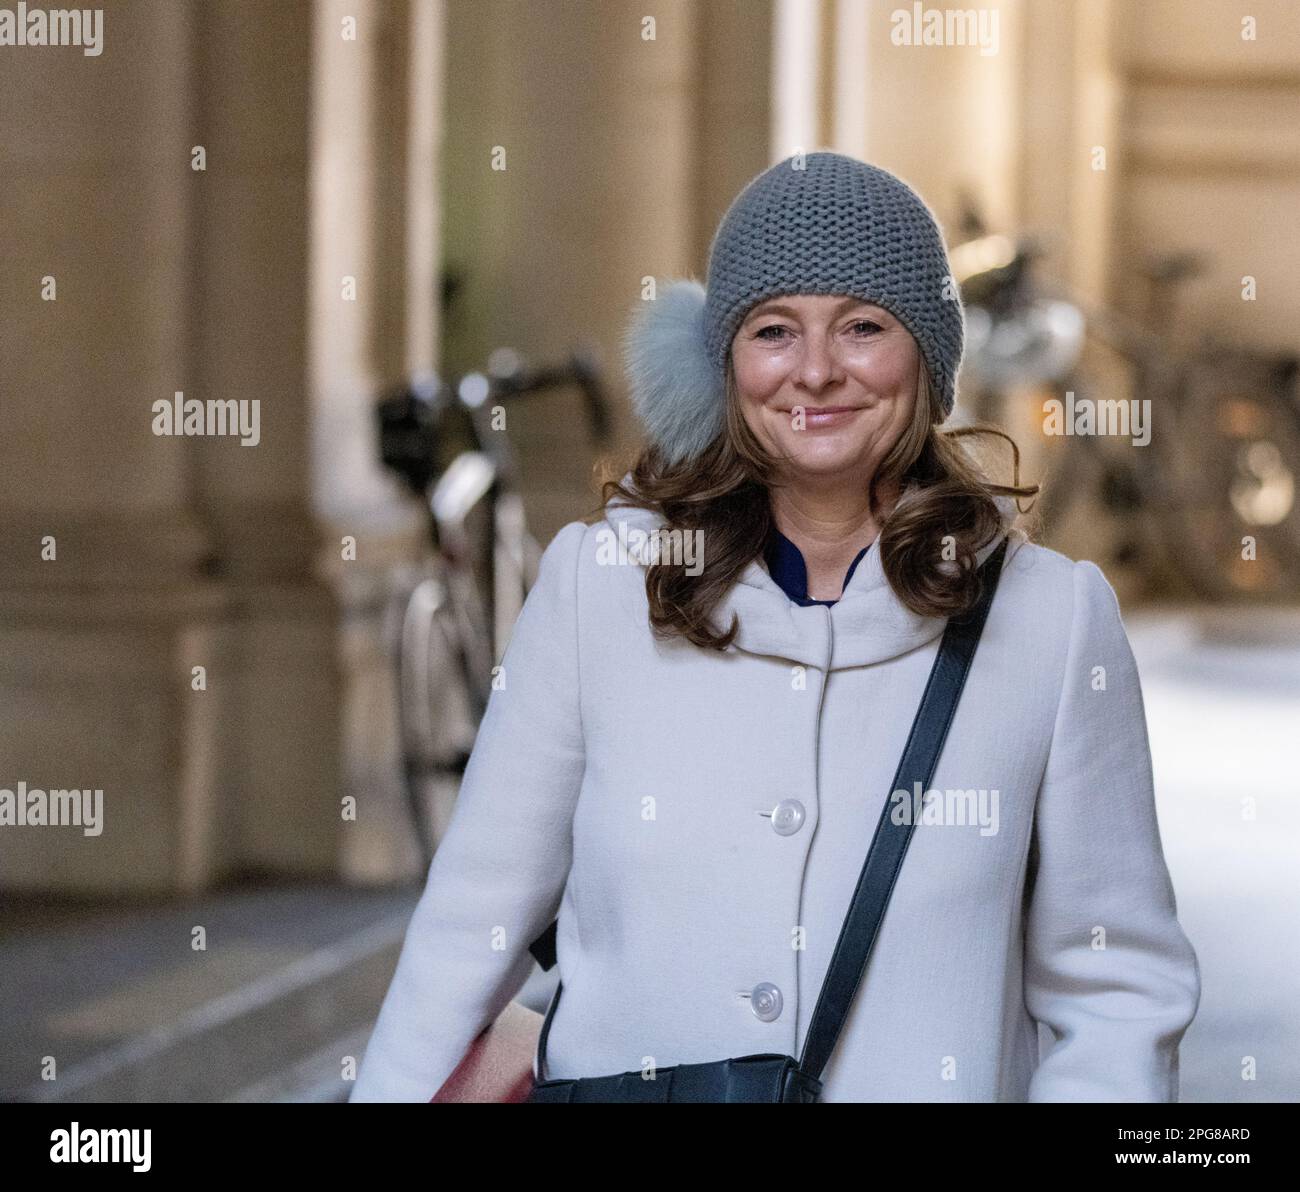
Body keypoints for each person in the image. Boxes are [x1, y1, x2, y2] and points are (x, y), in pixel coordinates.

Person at [350, 150, 1201, 1102]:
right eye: (774, 330)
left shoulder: (1049, 620)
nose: (817, 371)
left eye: (865, 327)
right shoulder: (600, 592)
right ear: (725, 362)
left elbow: (1115, 986)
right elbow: (472, 926)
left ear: (928, 358)